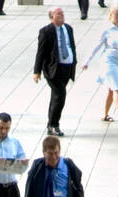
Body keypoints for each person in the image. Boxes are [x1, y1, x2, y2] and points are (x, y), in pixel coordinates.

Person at [82, 6, 118, 123]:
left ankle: (105, 114)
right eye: (117, 14)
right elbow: (96, 46)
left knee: (111, 90)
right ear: (111, 15)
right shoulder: (106, 29)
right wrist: (87, 61)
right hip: (110, 62)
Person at [33, 7, 77, 138]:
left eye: (63, 13)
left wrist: (74, 60)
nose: (62, 15)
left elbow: (71, 45)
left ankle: (50, 125)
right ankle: (54, 125)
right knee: (60, 95)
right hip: (53, 69)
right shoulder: (46, 31)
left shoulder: (68, 28)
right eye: (58, 14)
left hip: (67, 68)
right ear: (52, 16)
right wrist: (37, 71)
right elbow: (40, 52)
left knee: (55, 97)